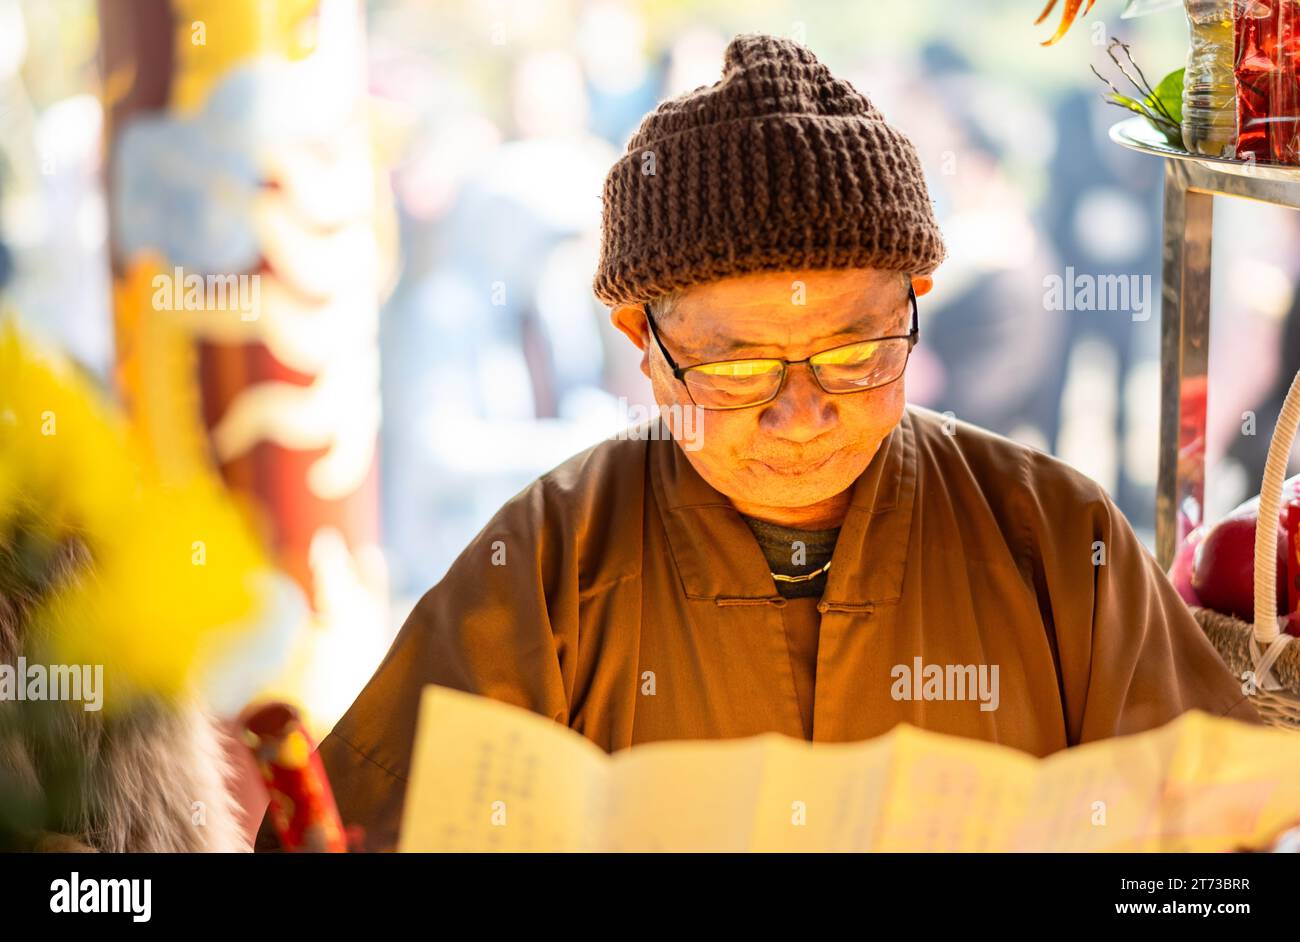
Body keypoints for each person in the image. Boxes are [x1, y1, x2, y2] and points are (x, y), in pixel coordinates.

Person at [271, 33, 1258, 852]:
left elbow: (1216, 836)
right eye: (737, 369)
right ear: (640, 347)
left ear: (916, 307)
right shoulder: (546, 561)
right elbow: (366, 823)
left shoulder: (1055, 537)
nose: (800, 414)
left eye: (857, 351)